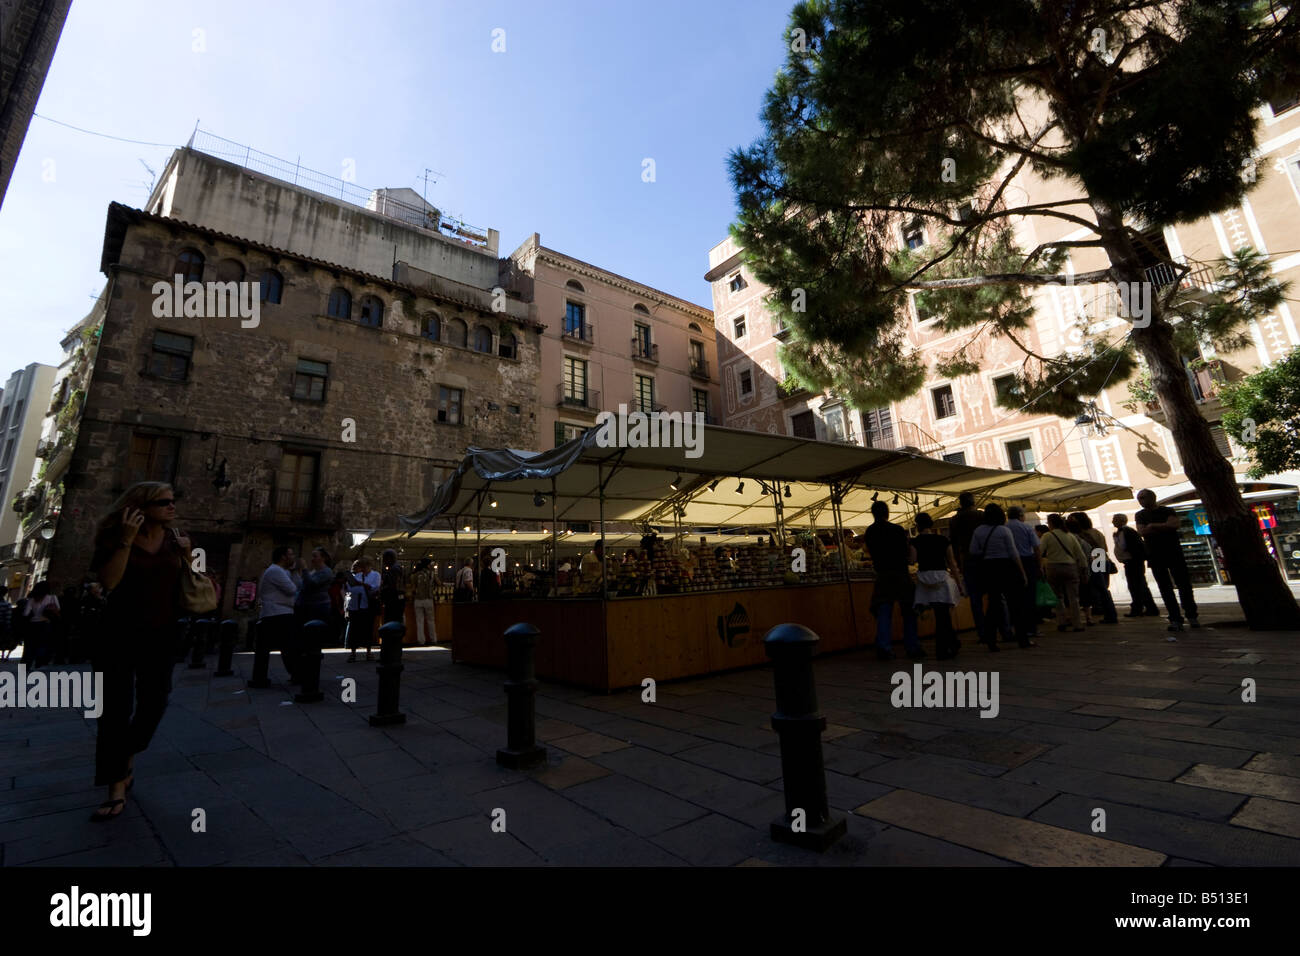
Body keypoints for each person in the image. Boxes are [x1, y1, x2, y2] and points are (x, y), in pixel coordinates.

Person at [87, 481, 190, 821]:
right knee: (115, 711)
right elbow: (110, 582)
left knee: (154, 704)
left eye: (172, 500)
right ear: (140, 507)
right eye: (163, 502)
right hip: (117, 634)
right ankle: (116, 786)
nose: (171, 506)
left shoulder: (175, 540)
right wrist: (127, 541)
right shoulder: (114, 537)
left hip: (162, 634)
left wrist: (188, 556)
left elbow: (189, 582)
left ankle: (126, 754)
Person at [862, 500, 924, 661]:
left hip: (883, 575)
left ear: (873, 514)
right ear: (887, 513)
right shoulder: (897, 529)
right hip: (901, 573)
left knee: (884, 612)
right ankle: (912, 646)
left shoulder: (870, 531)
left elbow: (871, 552)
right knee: (909, 611)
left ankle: (884, 647)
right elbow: (907, 551)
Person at [1134, 489, 1199, 635]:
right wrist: (1163, 526)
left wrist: (1152, 526)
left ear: (1152, 497)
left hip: (1174, 553)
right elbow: (1142, 531)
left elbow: (1174, 525)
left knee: (1184, 585)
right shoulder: (1140, 515)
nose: (1140, 500)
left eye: (1143, 497)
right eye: (1139, 498)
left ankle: (1191, 615)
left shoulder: (1167, 510)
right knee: (1165, 588)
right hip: (1155, 555)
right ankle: (1175, 618)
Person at [969, 504, 1033, 650]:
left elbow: (973, 551)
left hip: (988, 569)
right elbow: (1013, 553)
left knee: (993, 605)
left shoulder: (978, 531)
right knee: (1015, 605)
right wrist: (1022, 572)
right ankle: (1023, 640)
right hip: (1006, 568)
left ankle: (991, 641)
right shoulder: (1003, 530)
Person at [912, 512, 964, 659]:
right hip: (942, 579)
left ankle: (950, 644)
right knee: (943, 614)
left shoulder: (915, 542)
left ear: (917, 525)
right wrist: (959, 583)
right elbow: (952, 563)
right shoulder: (943, 540)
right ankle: (944, 648)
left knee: (941, 615)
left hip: (925, 580)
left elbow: (912, 560)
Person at [258, 546, 301, 681]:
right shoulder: (275, 570)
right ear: (283, 557)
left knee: (288, 646)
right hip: (276, 613)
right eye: (291, 554)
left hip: (282, 612)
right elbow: (292, 589)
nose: (293, 557)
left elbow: (298, 585)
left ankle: (296, 673)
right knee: (288, 646)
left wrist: (294, 571)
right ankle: (296, 674)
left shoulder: (283, 571)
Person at [1040, 512, 1088, 632]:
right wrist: (1084, 568)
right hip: (1070, 567)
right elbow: (1080, 554)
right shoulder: (1070, 535)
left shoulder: (1047, 536)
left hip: (1053, 568)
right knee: (1074, 598)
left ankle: (1062, 622)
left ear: (1050, 523)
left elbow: (1040, 551)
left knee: (1058, 597)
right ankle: (1077, 624)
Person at [948, 492, 987, 636]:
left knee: (975, 599)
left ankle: (982, 631)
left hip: (968, 560)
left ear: (960, 503)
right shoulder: (982, 515)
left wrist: (958, 564)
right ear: (973, 502)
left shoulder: (955, 520)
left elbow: (954, 544)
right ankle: (1003, 629)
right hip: (986, 559)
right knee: (995, 596)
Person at [1070, 512, 1118, 624]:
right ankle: (1109, 613)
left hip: (1095, 561)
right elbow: (1104, 548)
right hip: (1103, 559)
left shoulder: (1083, 535)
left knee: (1100, 588)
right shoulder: (1096, 532)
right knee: (1103, 588)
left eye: (1072, 519)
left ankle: (1109, 614)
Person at [1112, 514, 1159, 617]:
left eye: (1115, 520)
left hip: (1133, 562)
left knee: (1136, 586)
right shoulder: (1125, 532)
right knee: (1138, 585)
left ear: (1121, 521)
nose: (1112, 522)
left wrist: (1116, 539)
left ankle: (1140, 608)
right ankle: (1148, 608)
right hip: (1132, 562)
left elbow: (1126, 546)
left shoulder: (1126, 532)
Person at [1007, 506, 1042, 639]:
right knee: (1029, 596)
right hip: (1027, 561)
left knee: (1014, 598)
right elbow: (1036, 547)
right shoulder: (1026, 527)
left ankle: (1019, 629)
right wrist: (1039, 566)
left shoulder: (1004, 527)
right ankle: (1032, 628)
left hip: (1010, 564)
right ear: (1020, 515)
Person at [296, 547, 336, 644]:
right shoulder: (313, 571)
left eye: (315, 556)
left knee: (314, 630)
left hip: (319, 606)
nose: (312, 559)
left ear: (323, 558)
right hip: (307, 605)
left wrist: (304, 569)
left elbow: (312, 584)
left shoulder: (326, 572)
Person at [1065, 515, 1098, 626]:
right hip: (1085, 569)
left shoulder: (1068, 539)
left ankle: (1071, 617)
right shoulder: (1085, 538)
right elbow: (1093, 553)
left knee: (1071, 595)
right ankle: (1089, 617)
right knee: (1085, 594)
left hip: (1072, 569)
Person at [344, 559, 379, 662]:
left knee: (367, 629)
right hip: (354, 606)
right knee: (354, 630)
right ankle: (353, 652)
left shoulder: (374, 575)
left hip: (366, 606)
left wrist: (361, 584)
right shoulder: (355, 576)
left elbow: (374, 588)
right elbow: (348, 590)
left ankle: (368, 652)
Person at [20, 580, 60, 667]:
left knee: (28, 647)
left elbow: (26, 613)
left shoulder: (32, 599)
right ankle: (39, 661)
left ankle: (24, 666)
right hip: (45, 624)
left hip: (32, 624)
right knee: (43, 643)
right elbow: (58, 610)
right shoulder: (52, 598)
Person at [410, 557, 438, 646]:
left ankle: (421, 640)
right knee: (431, 620)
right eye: (430, 564)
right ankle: (433, 639)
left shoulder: (415, 575)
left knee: (419, 621)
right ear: (427, 565)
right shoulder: (432, 574)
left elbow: (413, 588)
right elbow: (439, 583)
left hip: (418, 600)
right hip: (428, 599)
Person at [379, 549, 406, 624]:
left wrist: (382, 590)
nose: (384, 562)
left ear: (389, 558)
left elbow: (392, 585)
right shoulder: (398, 568)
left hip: (393, 600)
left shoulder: (393, 569)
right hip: (398, 599)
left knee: (391, 621)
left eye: (384, 559)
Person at [0, 588, 15, 661]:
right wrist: (8, 626)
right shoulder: (7, 604)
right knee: (3, 640)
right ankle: (3, 656)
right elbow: (8, 617)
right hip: (2, 625)